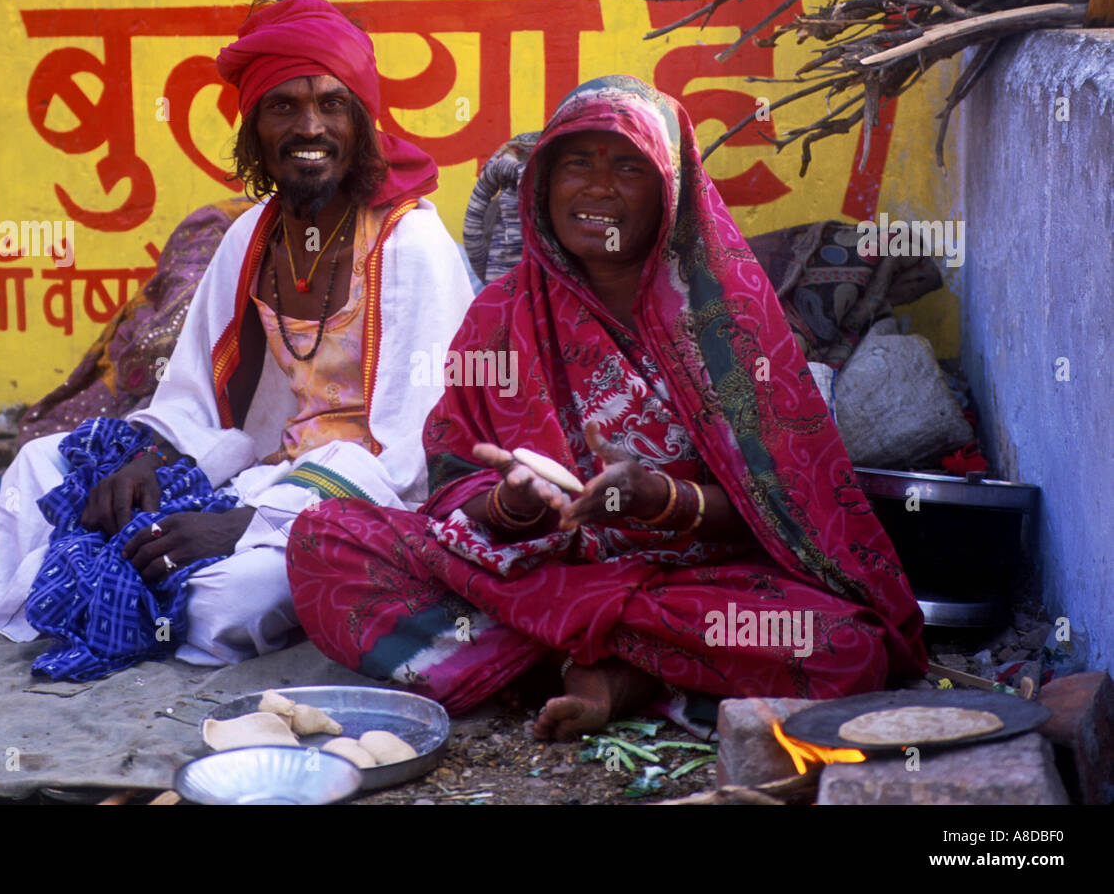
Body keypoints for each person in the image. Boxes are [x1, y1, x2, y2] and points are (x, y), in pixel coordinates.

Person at [286, 75, 928, 738]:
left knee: (845, 648)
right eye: (575, 165)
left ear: (670, 192)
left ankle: (592, 667)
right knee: (323, 540)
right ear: (542, 185)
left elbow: (792, 508)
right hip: (541, 574)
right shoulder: (502, 317)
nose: (596, 188)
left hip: (694, 582)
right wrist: (514, 505)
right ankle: (629, 663)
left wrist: (662, 501)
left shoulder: (727, 322)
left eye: (627, 167)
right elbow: (453, 485)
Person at [0, 0, 473, 674]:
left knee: (226, 599)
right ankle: (112, 581)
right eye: (284, 108)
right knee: (41, 467)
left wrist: (248, 525)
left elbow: (413, 455)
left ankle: (124, 586)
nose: (310, 127)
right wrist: (148, 463)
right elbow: (194, 396)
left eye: (332, 105)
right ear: (254, 132)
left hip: (359, 502)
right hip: (259, 467)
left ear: (362, 124)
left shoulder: (411, 244)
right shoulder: (250, 234)